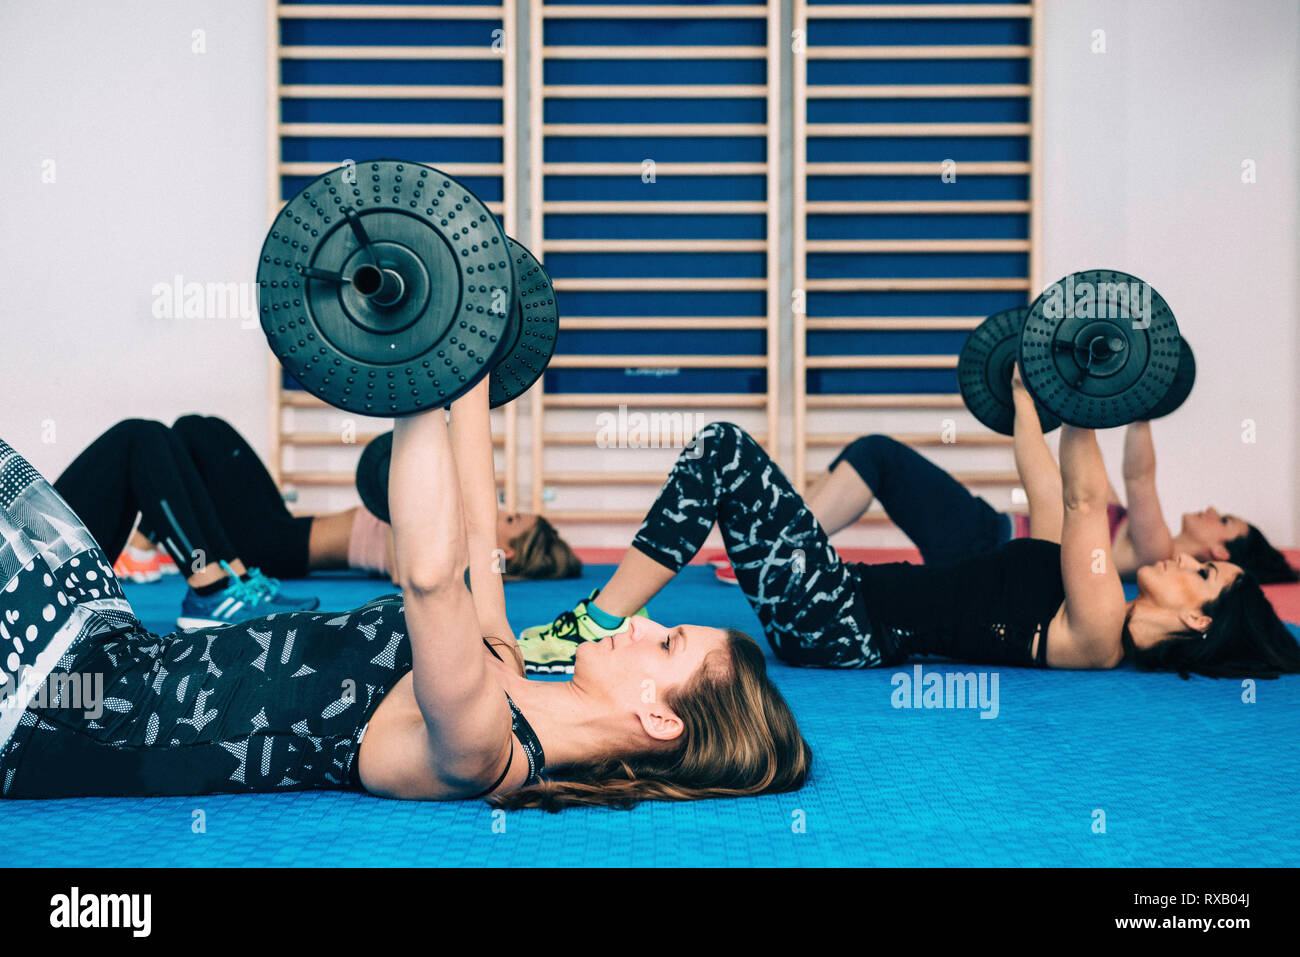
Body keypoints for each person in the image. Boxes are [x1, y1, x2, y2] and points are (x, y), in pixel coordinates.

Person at [0, 379, 809, 809]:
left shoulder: (482, 748)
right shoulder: (508, 668)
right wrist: (467, 374)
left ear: (659, 718)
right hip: (104, 643)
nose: (645, 623)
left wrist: (415, 373)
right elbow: (478, 545)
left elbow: (430, 574)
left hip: (48, 702)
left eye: (667, 645)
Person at [516, 373, 1300, 680]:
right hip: (840, 604)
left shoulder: (1099, 631)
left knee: (723, 449)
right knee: (732, 456)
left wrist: (1092, 400)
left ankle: (593, 622)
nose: (1188, 564)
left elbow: (1088, 500)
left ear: (1198, 617)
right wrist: (1034, 398)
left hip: (841, 625)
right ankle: (602, 616)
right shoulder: (1089, 592)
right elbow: (1050, 487)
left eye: (1206, 574)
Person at [56, 415, 583, 624]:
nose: (499, 505)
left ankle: (209, 583)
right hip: (281, 532)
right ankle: (218, 576)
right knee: (198, 430)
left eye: (510, 517)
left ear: (506, 550)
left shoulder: (454, 548)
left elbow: (412, 576)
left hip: (281, 545)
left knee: (145, 439)